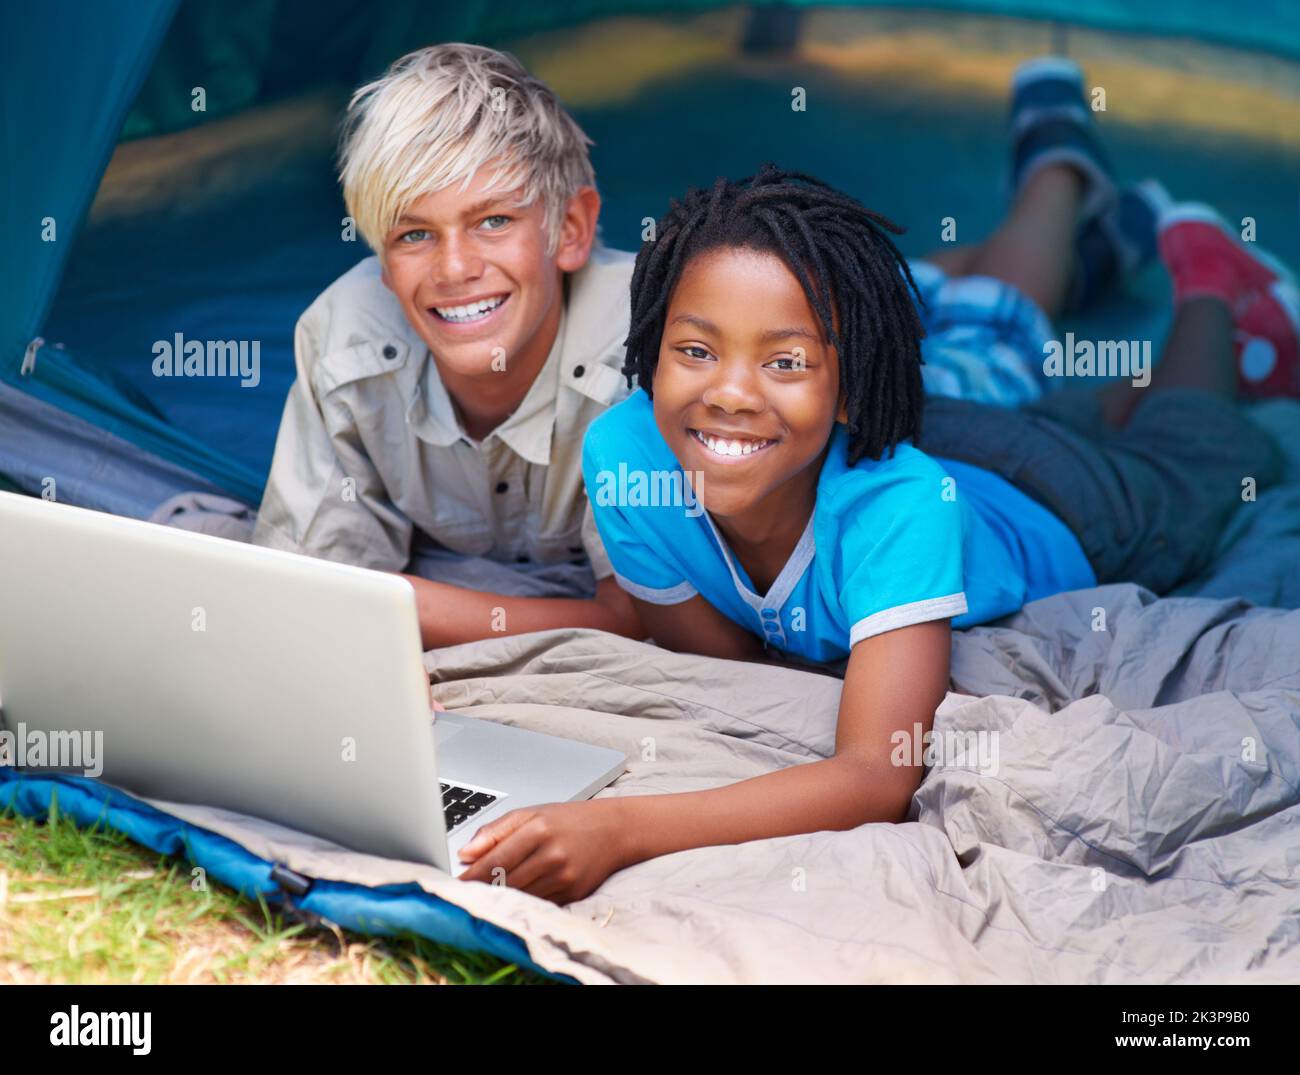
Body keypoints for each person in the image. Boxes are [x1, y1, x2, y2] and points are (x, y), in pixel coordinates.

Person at [453, 157, 1293, 904]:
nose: (730, 392)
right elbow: (726, 661)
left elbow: (875, 775)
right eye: (696, 350)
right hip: (902, 439)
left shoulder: (900, 508)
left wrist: (619, 829)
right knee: (1047, 399)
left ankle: (1211, 289)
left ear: (852, 388)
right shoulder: (624, 454)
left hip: (1058, 504)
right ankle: (1093, 380)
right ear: (649, 349)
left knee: (1199, 452)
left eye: (785, 361)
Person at [249, 47, 1152, 650]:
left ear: (571, 230)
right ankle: (1103, 249)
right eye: (412, 235)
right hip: (773, 322)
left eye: (492, 222)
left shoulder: (665, 366)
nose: (453, 269)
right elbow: (310, 582)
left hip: (860, 397)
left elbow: (632, 614)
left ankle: (1059, 171)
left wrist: (394, 606)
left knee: (994, 334)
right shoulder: (346, 339)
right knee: (866, 289)